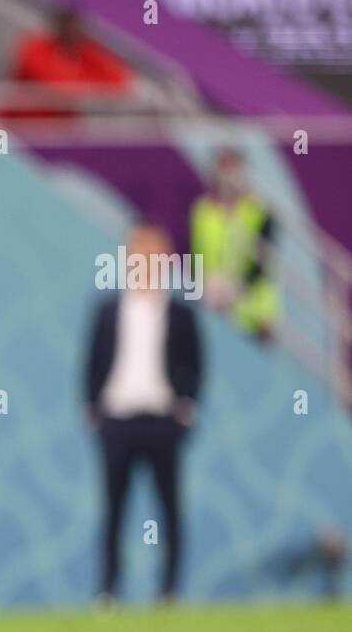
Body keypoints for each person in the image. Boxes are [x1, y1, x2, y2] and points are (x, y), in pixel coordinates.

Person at [85, 223, 203, 603]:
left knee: (169, 508)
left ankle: (169, 591)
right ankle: (109, 590)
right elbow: (92, 362)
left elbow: (196, 363)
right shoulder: (108, 310)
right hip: (117, 420)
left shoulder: (180, 314)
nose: (145, 263)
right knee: (114, 510)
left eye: (153, 257)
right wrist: (92, 408)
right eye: (138, 256)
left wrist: (186, 407)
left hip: (162, 420)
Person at [190, 147, 280, 341]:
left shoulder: (259, 210)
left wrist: (239, 288)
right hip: (215, 308)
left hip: (253, 312)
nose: (229, 176)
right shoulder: (203, 211)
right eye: (224, 168)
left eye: (234, 168)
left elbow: (264, 261)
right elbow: (197, 256)